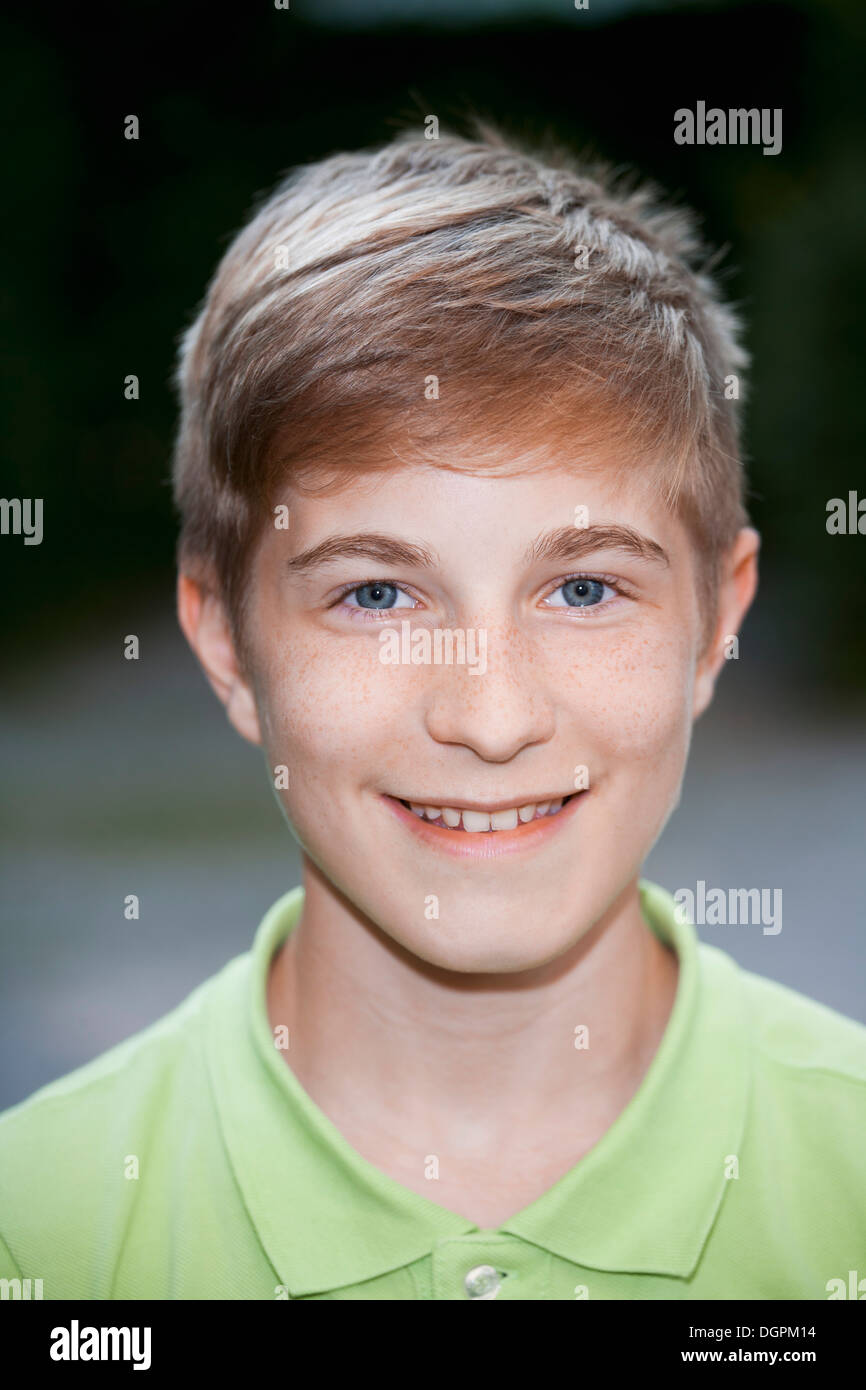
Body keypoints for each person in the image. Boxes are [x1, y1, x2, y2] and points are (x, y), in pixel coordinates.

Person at [1, 122, 863, 1301]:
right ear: (225, 643)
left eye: (582, 588)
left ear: (717, 620)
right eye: (373, 592)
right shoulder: (41, 1230)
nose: (491, 715)